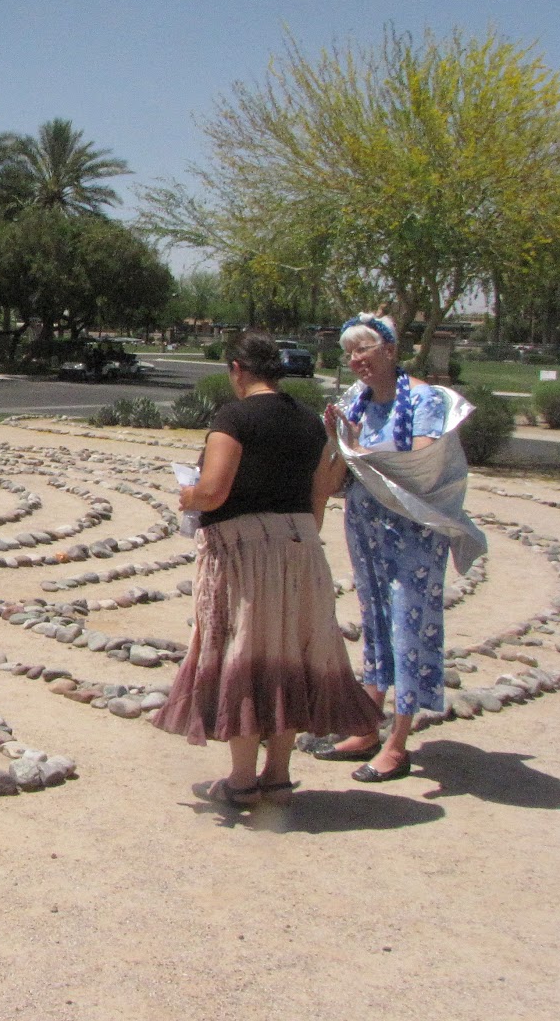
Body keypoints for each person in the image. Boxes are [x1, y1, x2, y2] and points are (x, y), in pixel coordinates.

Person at [152, 330, 382, 807]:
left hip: (243, 553)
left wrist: (190, 496)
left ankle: (240, 780)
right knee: (291, 660)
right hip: (301, 552)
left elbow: (214, 491)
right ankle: (277, 776)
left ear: (237, 369)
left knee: (245, 656)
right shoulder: (310, 422)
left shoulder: (234, 418)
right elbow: (319, 503)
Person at [311, 313, 486, 783]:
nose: (356, 361)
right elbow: (336, 475)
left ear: (390, 349)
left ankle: (398, 742)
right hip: (366, 526)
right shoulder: (356, 403)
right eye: (350, 353)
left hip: (414, 532)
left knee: (409, 625)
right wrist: (336, 441)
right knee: (374, 620)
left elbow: (424, 463)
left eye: (364, 350)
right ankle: (367, 727)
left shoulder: (428, 400)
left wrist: (355, 446)